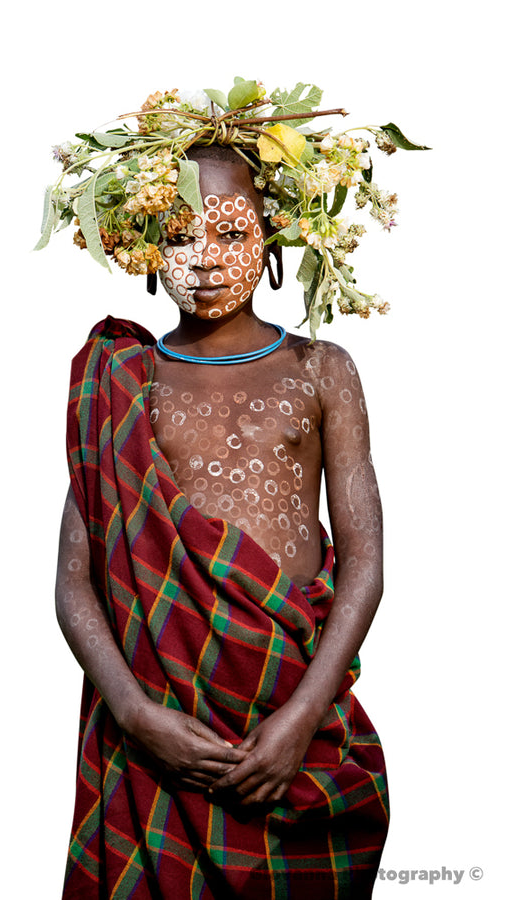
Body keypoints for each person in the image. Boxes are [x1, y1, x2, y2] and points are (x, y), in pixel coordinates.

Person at [46, 83, 425, 898]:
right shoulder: (124, 378)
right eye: (181, 235)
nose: (207, 258)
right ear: (147, 247)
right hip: (157, 726)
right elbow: (74, 581)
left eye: (230, 232)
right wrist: (136, 715)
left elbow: (364, 559)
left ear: (275, 233)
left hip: (293, 705)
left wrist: (299, 721)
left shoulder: (322, 370)